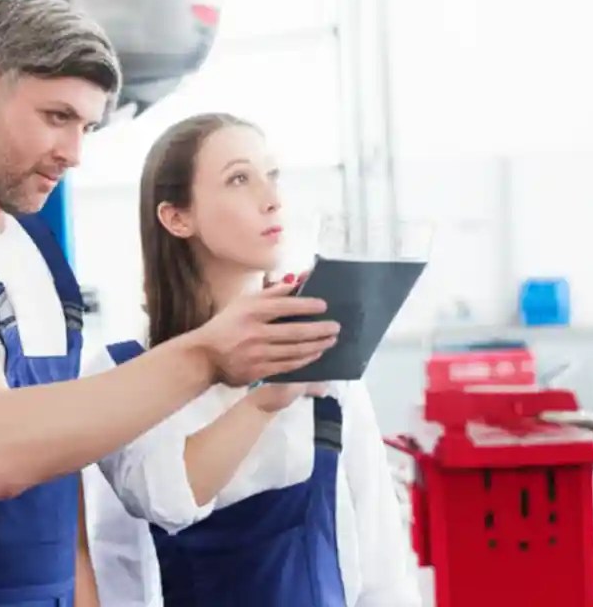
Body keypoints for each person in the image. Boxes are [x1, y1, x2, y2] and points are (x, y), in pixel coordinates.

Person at [0, 0, 341, 607]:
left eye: (86, 127)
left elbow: (65, 492)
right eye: (55, 116)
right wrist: (210, 356)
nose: (74, 152)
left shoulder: (27, 244)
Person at [80, 113, 422, 606]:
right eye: (240, 179)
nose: (272, 198)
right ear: (177, 217)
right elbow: (165, 499)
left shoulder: (322, 349)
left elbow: (381, 563)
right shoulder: (120, 373)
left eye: (273, 175)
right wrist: (268, 400)